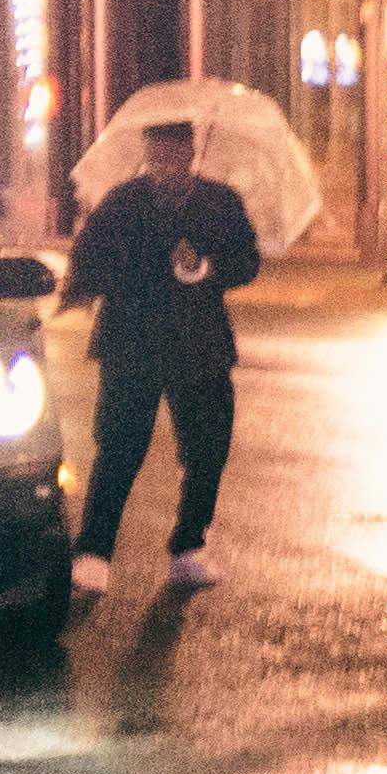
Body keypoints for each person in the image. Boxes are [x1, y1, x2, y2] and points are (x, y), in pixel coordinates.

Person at [61, 118, 257, 595]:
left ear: (192, 152)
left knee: (208, 449)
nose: (165, 164)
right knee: (120, 448)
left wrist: (204, 265)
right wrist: (100, 279)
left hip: (200, 344)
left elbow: (247, 262)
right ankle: (94, 554)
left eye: (175, 153)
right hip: (133, 342)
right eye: (157, 155)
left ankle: (188, 546)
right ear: (147, 155)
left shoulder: (219, 202)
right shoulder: (124, 202)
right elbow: (89, 258)